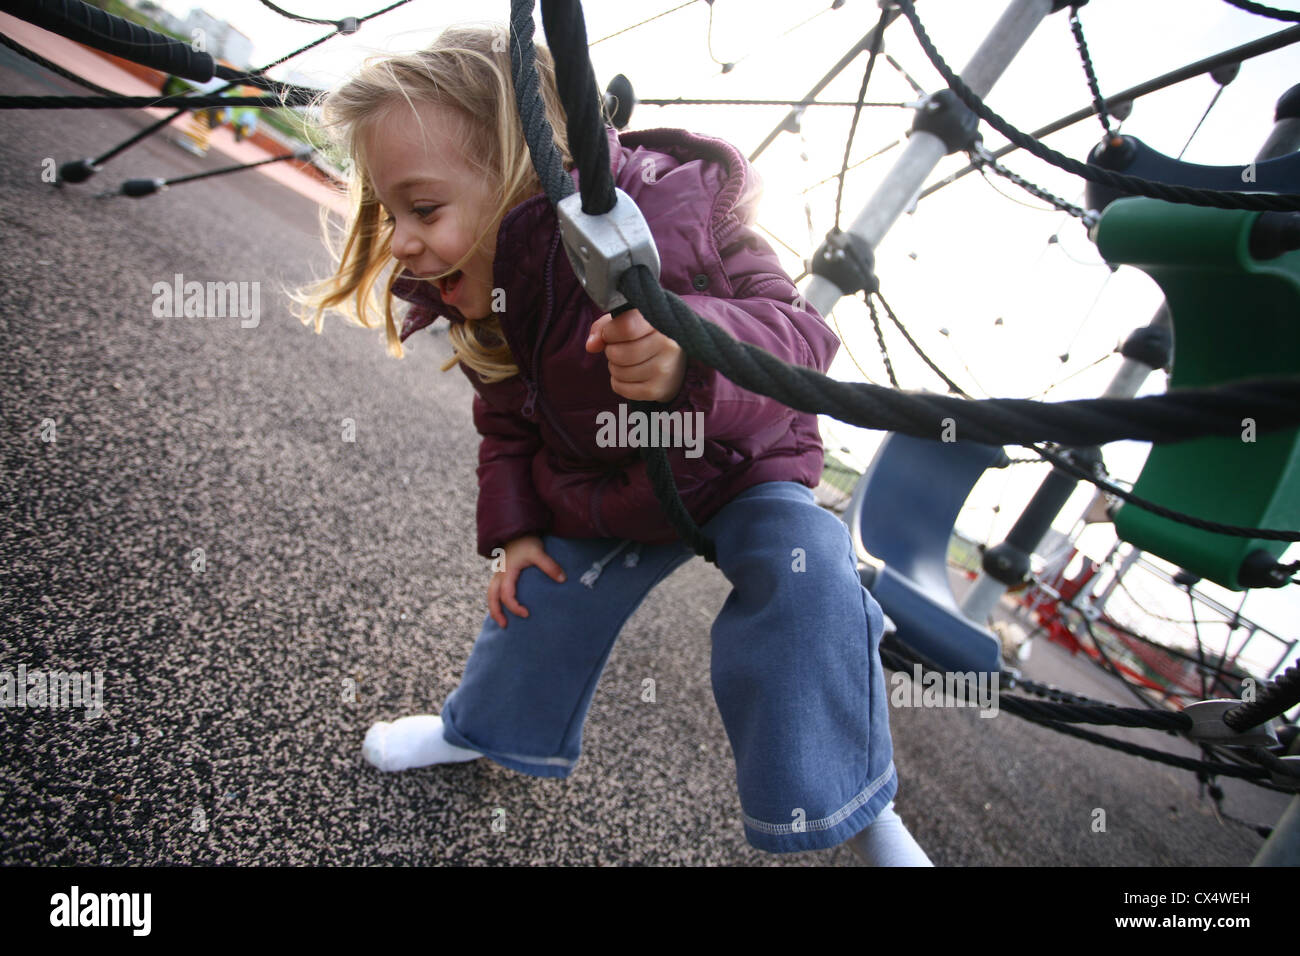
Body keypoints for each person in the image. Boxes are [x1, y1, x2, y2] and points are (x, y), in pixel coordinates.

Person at [290, 23, 931, 866]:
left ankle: (855, 801)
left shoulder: (692, 204)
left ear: (525, 169)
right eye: (391, 211)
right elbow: (508, 421)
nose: (401, 240)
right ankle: (476, 727)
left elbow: (801, 338)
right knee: (538, 594)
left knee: (810, 575)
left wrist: (687, 345)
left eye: (425, 208)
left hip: (743, 466)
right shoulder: (495, 292)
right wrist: (516, 532)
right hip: (610, 483)